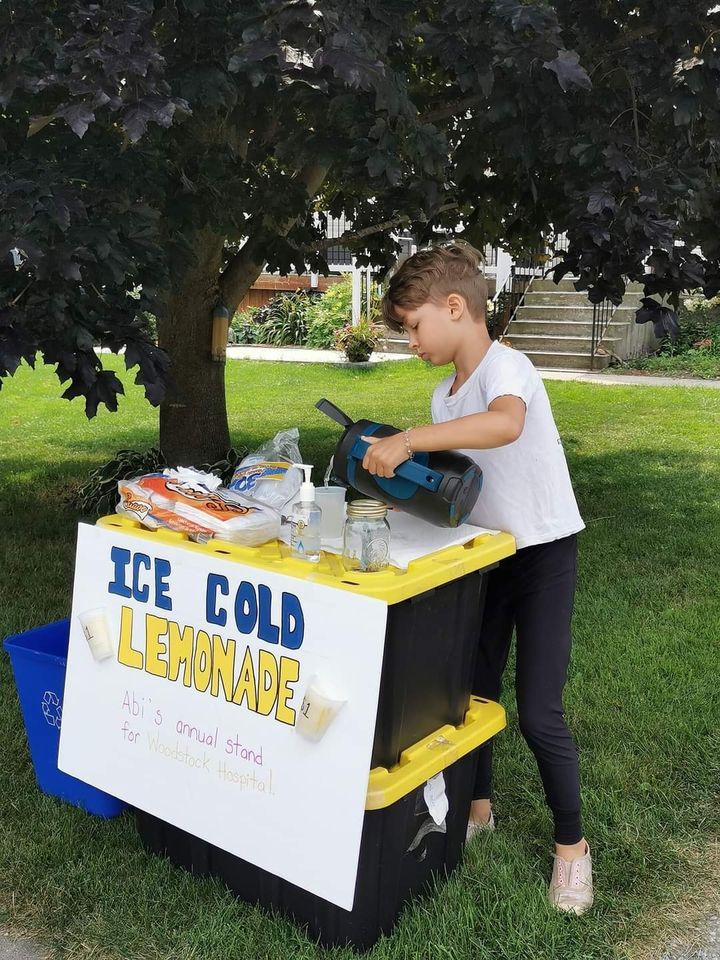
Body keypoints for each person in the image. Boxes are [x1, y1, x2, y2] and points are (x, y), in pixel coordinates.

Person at [360, 241, 593, 915]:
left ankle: (572, 851)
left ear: (455, 307)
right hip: (487, 558)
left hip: (545, 557)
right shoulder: (444, 395)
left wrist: (409, 439)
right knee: (471, 694)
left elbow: (504, 426)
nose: (411, 340)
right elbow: (455, 486)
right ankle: (479, 810)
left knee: (538, 711)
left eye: (413, 325)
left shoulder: (505, 368)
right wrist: (393, 490)